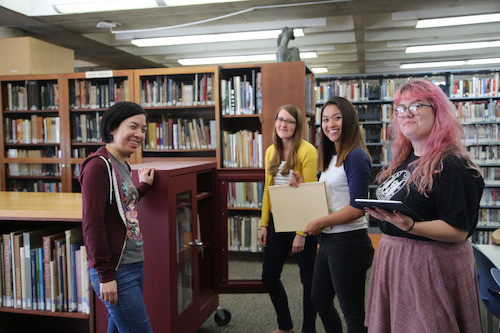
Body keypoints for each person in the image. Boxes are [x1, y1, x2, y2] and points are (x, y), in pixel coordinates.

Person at [363, 79, 484, 332]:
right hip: (396, 263)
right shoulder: (404, 159)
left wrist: (412, 226)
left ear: (438, 112)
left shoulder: (454, 165)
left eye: (417, 106)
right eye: (400, 108)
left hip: (429, 270)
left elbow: (459, 230)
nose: (406, 114)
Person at [292, 96, 374, 332]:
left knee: (354, 316)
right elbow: (328, 197)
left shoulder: (356, 156)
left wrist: (321, 222)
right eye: (325, 120)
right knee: (319, 299)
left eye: (337, 118)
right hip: (328, 241)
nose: (330, 124)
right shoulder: (330, 157)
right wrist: (303, 186)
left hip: (348, 242)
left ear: (348, 120)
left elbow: (358, 207)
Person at [79, 101, 155, 333]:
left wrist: (143, 188)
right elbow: (93, 224)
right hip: (116, 270)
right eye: (133, 126)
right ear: (112, 128)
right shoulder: (97, 167)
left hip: (133, 264)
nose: (139, 134)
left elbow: (122, 207)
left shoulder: (122, 164)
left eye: (143, 129)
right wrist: (105, 275)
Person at [258, 105, 318, 333]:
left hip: (303, 222)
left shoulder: (307, 151)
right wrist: (264, 224)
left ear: (298, 126)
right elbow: (267, 190)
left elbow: (310, 194)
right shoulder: (271, 151)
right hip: (278, 220)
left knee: (308, 280)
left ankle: (308, 329)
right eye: (280, 119)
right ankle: (285, 326)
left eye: (290, 121)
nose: (284, 125)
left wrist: (301, 233)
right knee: (269, 276)